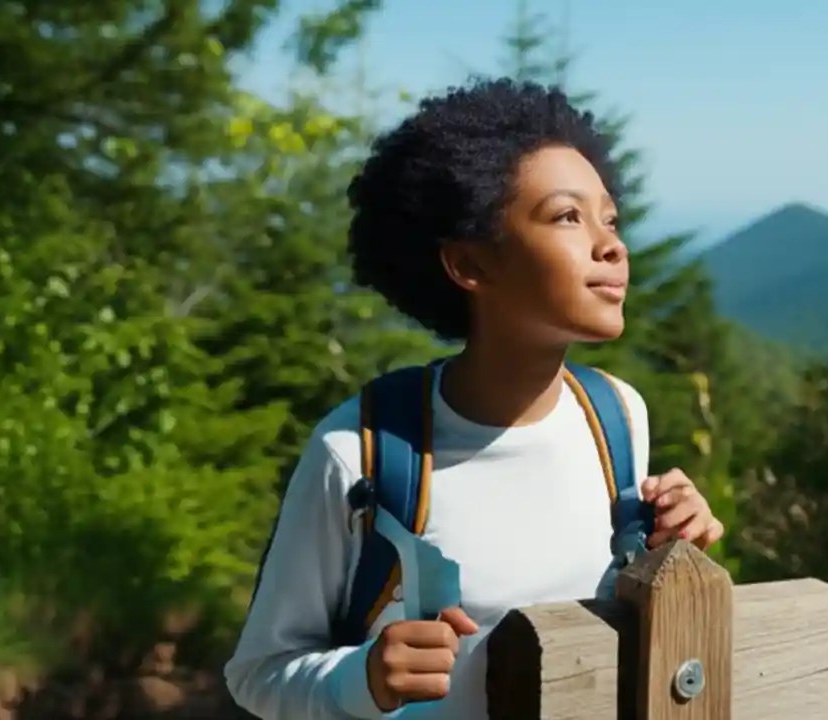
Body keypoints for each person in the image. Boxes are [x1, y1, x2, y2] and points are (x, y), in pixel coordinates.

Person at [223, 77, 725, 720]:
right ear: (469, 264)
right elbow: (260, 673)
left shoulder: (618, 418)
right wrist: (364, 678)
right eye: (567, 216)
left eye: (609, 217)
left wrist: (670, 547)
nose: (612, 245)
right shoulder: (361, 452)